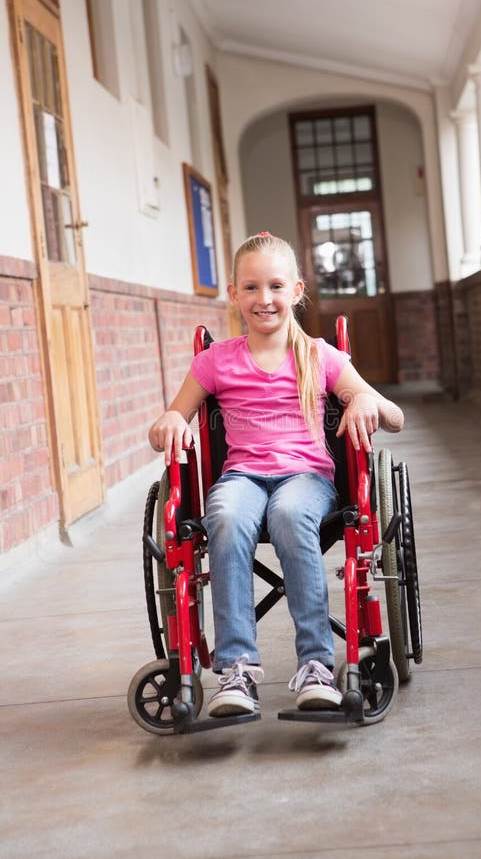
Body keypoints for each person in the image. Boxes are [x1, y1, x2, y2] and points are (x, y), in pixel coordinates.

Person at [148, 232, 404, 718]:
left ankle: (316, 665)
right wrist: (170, 421)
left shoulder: (319, 356)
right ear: (233, 294)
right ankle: (236, 670)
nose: (263, 299)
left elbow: (396, 417)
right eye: (251, 288)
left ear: (297, 291)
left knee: (288, 514)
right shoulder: (214, 361)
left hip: (306, 478)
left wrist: (367, 399)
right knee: (222, 515)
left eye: (275, 286)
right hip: (242, 478)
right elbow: (172, 420)